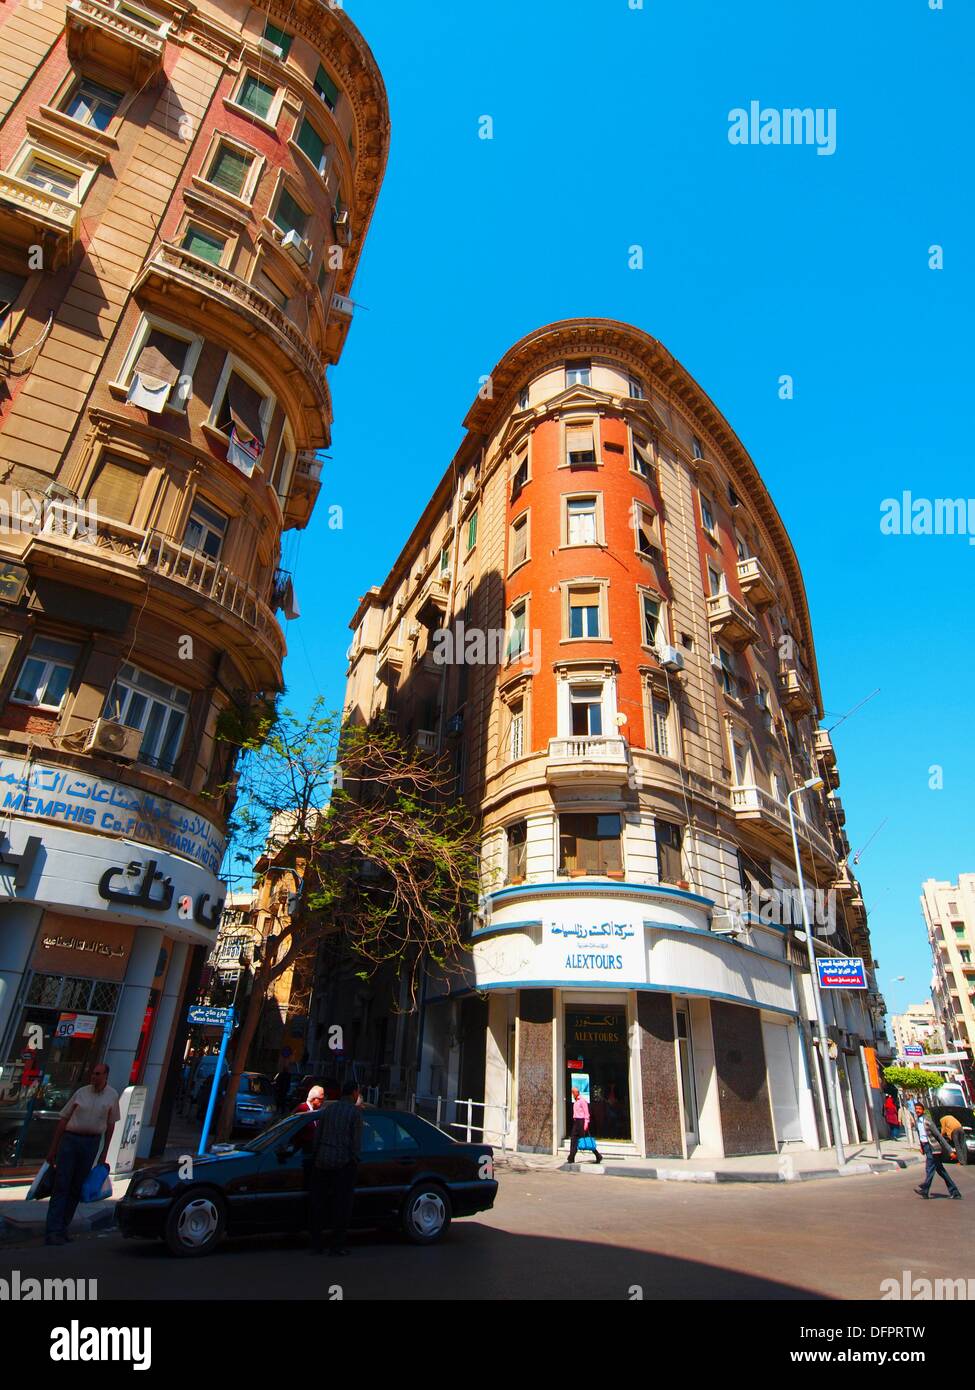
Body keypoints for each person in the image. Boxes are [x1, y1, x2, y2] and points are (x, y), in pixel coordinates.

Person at [44, 1062, 120, 1246]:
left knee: (76, 1187)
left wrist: (104, 1153)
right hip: (71, 1140)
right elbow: (63, 1119)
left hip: (91, 1143)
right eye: (93, 1073)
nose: (93, 1077)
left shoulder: (112, 1096)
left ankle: (63, 1227)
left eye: (97, 1074)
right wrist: (53, 1148)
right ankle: (53, 1230)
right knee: (62, 1184)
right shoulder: (82, 1092)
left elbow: (111, 1125)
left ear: (105, 1076)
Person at [308, 1081, 362, 1256]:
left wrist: (315, 1156)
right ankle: (337, 1245)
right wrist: (354, 1159)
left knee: (320, 1204)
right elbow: (355, 1142)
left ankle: (317, 1243)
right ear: (354, 1093)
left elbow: (317, 1136)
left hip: (322, 1161)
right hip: (342, 1164)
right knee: (342, 1206)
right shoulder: (354, 1113)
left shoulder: (328, 1110)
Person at [914, 1103, 962, 1200]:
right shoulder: (917, 1122)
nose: (917, 1110)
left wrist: (950, 1150)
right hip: (926, 1147)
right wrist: (921, 1146)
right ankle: (955, 1192)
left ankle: (925, 1187)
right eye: (916, 1109)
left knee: (929, 1167)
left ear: (923, 1110)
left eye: (919, 1109)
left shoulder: (928, 1121)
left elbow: (939, 1136)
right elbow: (921, 1135)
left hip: (933, 1147)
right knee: (940, 1171)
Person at [568, 1086, 602, 1165]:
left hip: (582, 1122)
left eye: (573, 1092)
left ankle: (598, 1155)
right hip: (576, 1122)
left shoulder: (582, 1101)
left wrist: (586, 1123)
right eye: (572, 1092)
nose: (573, 1094)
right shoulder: (576, 1101)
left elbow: (587, 1113)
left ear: (577, 1093)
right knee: (573, 1139)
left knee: (586, 1140)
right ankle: (571, 1157)